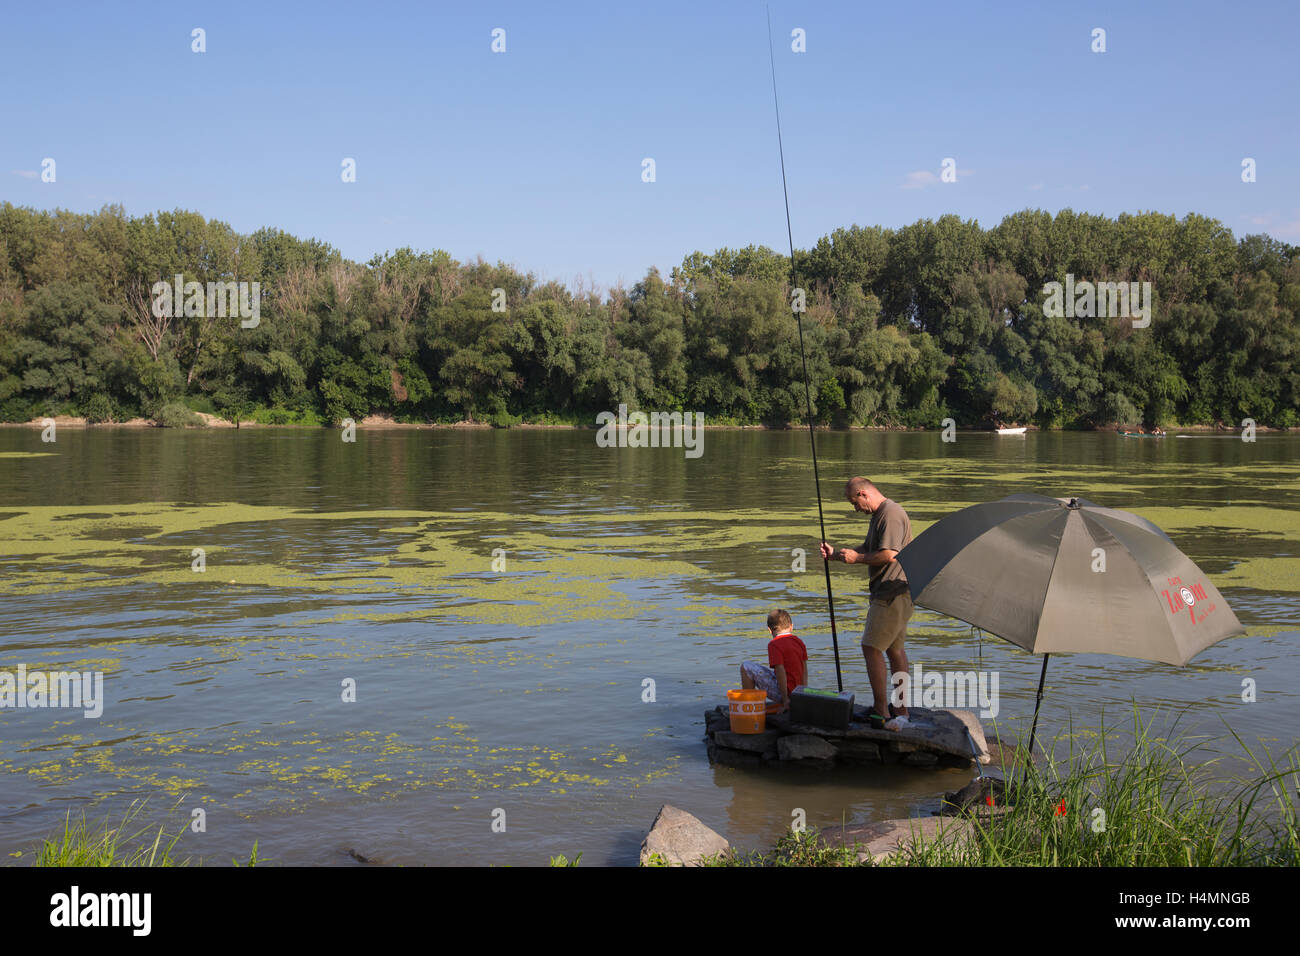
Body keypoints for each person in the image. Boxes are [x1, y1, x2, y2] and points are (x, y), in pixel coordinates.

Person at [819, 478, 914, 731]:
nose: (855, 509)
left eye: (855, 502)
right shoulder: (881, 514)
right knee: (895, 651)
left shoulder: (890, 514)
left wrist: (857, 558)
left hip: (891, 593)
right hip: (898, 592)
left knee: (870, 647)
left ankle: (881, 711)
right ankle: (901, 711)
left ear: (864, 494)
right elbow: (872, 548)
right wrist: (838, 554)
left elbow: (889, 554)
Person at [739, 608, 807, 715]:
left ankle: (749, 708)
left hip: (787, 694)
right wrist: (803, 695)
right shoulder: (799, 642)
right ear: (791, 626)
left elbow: (780, 671)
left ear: (769, 630)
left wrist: (785, 701)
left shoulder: (775, 644)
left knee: (746, 667)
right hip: (799, 692)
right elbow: (804, 670)